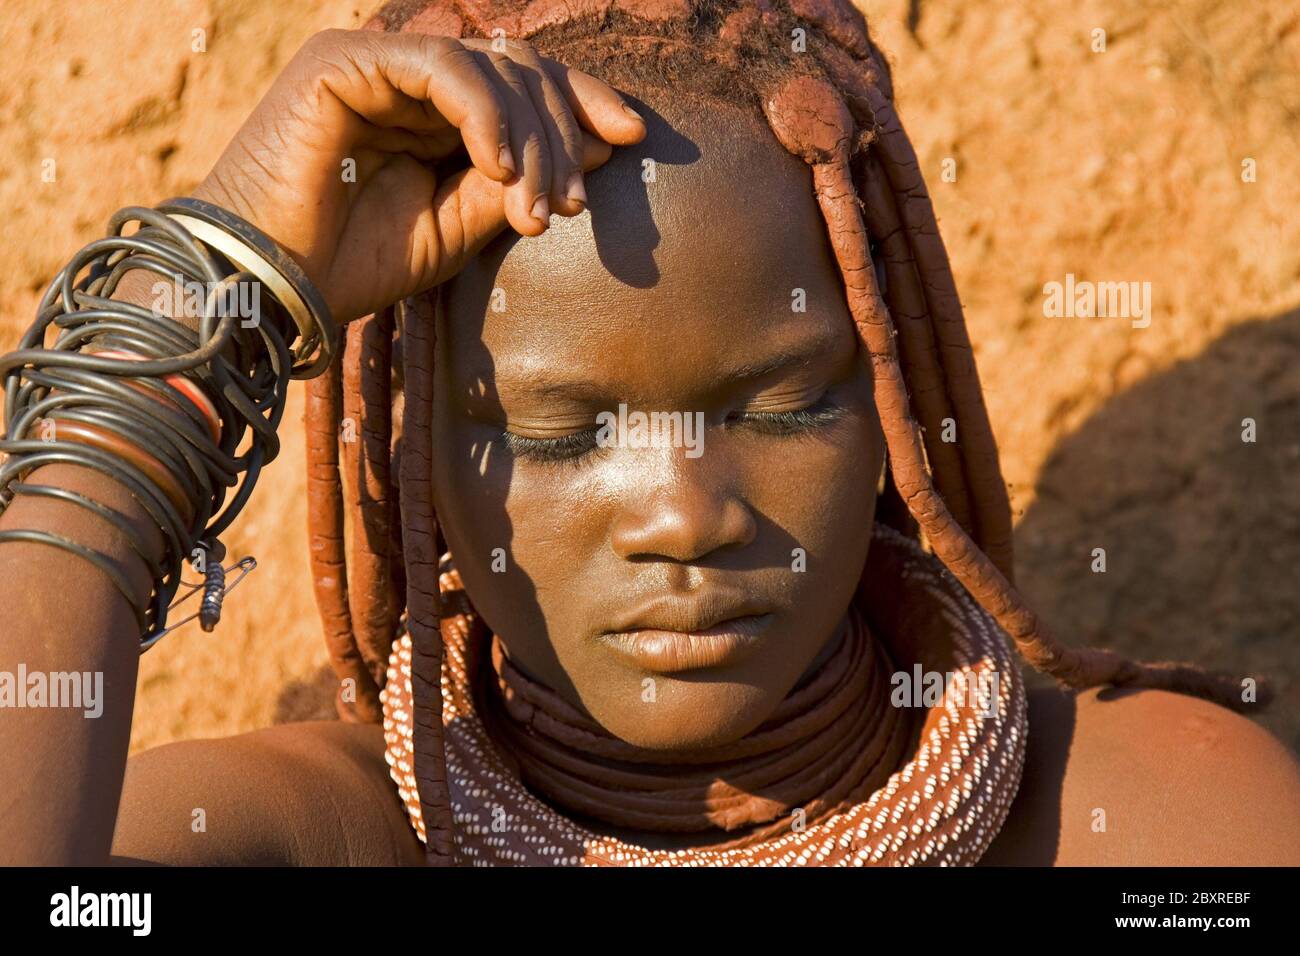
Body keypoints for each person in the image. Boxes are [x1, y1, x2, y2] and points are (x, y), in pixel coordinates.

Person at [2, 0, 1298, 866]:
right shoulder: (275, 839)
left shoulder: (1153, 828)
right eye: (556, 434)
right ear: (422, 456)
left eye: (783, 406)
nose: (684, 517)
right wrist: (194, 310)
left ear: (893, 406)